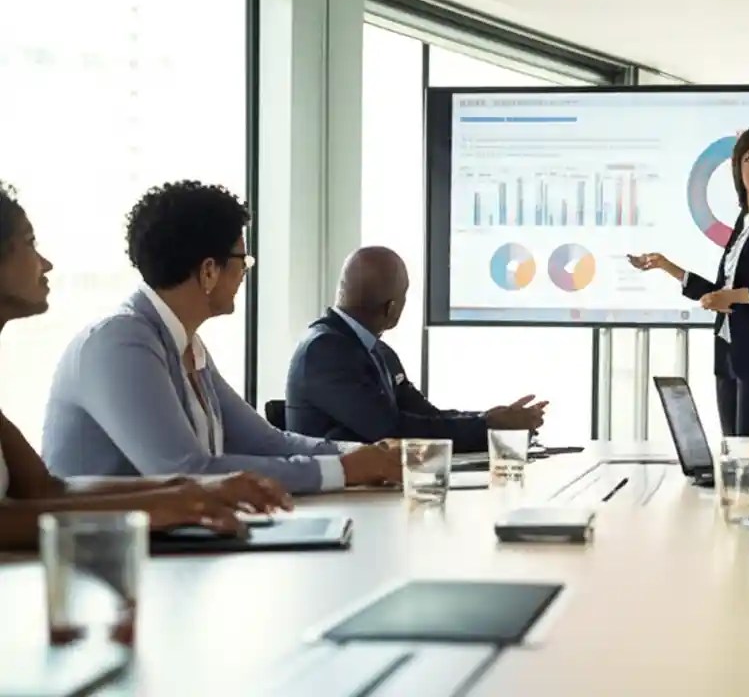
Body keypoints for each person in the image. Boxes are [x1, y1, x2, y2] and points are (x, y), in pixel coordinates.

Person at [41, 181, 401, 494]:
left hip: (166, 549)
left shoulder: (186, 344)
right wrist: (346, 469)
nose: (245, 272)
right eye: (242, 261)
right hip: (104, 562)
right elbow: (186, 472)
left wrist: (363, 455)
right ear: (209, 271)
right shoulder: (120, 343)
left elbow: (266, 442)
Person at [0, 181, 286, 548]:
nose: (46, 263)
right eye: (29, 242)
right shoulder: (120, 339)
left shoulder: (187, 345)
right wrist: (159, 506)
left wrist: (181, 490)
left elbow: (44, 488)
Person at [628, 126, 749, 436]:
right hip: (732, 355)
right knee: (733, 454)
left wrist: (739, 296)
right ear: (738, 167)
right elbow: (723, 295)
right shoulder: (745, 221)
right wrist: (669, 267)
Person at [285, 246, 546, 450]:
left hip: (371, 492)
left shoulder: (376, 350)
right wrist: (489, 426)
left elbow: (425, 417)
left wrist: (493, 419)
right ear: (392, 307)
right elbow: (392, 431)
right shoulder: (324, 350)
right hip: (342, 502)